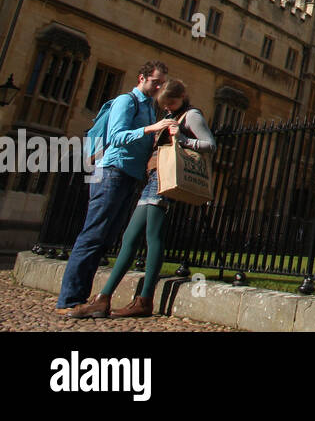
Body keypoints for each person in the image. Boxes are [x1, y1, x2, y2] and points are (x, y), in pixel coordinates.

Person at [68, 78, 215, 318]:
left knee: (152, 236)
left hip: (167, 181)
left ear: (182, 97)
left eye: (170, 103)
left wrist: (184, 139)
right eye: (164, 105)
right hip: (153, 179)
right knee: (130, 237)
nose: (167, 108)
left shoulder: (192, 115)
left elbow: (211, 144)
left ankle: (144, 300)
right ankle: (102, 299)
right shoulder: (169, 116)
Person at [56, 61, 170, 314]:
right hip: (111, 172)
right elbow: (116, 136)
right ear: (142, 78)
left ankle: (85, 299)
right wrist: (151, 129)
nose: (159, 86)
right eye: (155, 81)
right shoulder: (126, 101)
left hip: (129, 176)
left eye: (162, 82)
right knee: (93, 235)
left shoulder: (150, 108)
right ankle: (69, 300)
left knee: (105, 238)